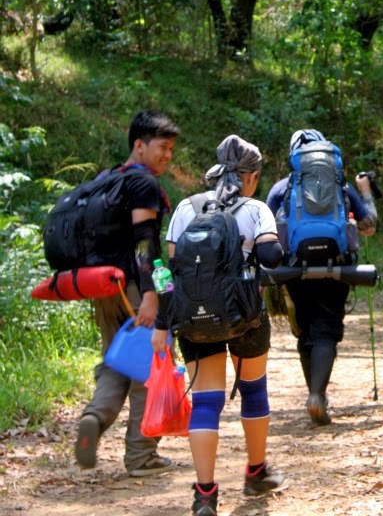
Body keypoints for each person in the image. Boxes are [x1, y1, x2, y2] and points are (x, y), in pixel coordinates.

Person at [153, 135, 285, 516]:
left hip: (193, 320)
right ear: (253, 176)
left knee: (206, 403)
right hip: (245, 316)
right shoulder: (256, 208)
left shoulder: (185, 208)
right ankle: (256, 471)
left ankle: (205, 494)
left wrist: (165, 323)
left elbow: (170, 272)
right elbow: (272, 256)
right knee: (254, 392)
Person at [74, 110, 180, 477]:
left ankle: (95, 416)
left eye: (171, 149)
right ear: (139, 145)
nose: (168, 155)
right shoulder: (143, 185)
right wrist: (153, 295)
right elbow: (144, 243)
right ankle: (141, 455)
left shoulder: (106, 180)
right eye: (163, 147)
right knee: (151, 366)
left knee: (117, 361)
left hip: (104, 289)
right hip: (135, 288)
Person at [266, 129, 378, 426]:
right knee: (327, 329)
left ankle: (315, 393)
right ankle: (317, 395)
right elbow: (369, 226)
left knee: (306, 331)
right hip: (337, 268)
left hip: (295, 270)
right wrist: (365, 192)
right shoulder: (342, 186)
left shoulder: (282, 188)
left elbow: (265, 232)